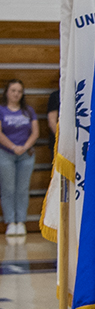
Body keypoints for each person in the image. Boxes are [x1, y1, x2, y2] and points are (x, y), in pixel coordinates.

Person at [0, 80, 39, 237]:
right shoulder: (1, 110)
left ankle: (21, 221)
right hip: (6, 153)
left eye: (19, 91)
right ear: (7, 92)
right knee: (8, 188)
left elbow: (35, 132)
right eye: (13, 90)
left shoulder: (28, 111)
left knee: (23, 189)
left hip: (26, 155)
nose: (16, 94)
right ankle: (10, 221)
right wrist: (13, 147)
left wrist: (24, 147)